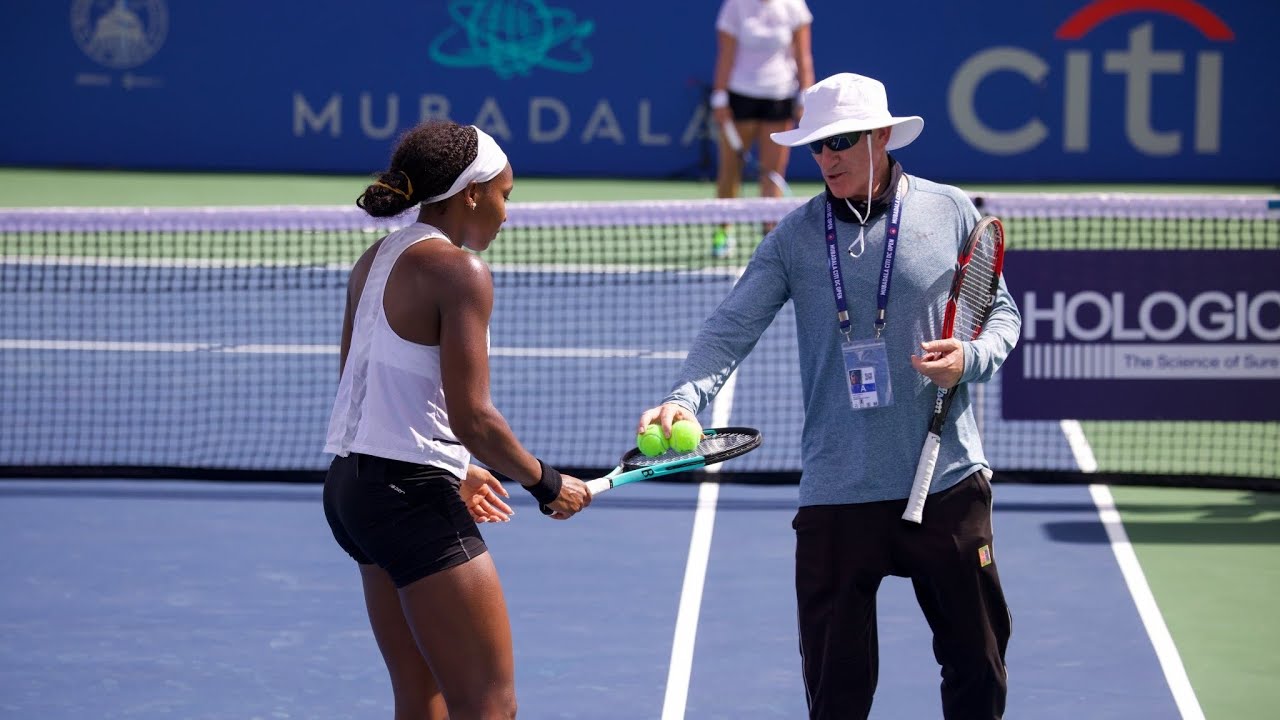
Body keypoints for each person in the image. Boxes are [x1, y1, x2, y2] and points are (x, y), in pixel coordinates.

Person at [638, 73, 1020, 719]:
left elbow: (1001, 313)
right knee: (836, 691)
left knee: (977, 666)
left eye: (841, 142)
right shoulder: (794, 237)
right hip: (839, 492)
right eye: (816, 146)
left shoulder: (950, 208)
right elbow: (731, 326)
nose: (827, 158)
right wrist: (685, 398)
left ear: (879, 137)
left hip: (946, 480)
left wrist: (971, 358)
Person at [322, 120, 593, 720]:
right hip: (407, 502)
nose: (506, 212)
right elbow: (473, 416)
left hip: (352, 493)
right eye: (505, 195)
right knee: (489, 706)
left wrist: (456, 467)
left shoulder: (374, 259)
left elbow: (362, 392)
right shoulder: (460, 273)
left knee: (421, 697)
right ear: (472, 194)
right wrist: (546, 482)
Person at [709, 0, 815, 257]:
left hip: (779, 96)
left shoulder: (793, 6)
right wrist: (720, 96)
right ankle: (723, 231)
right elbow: (726, 55)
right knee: (730, 172)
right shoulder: (735, 6)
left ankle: (770, 235)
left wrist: (806, 96)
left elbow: (802, 56)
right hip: (740, 97)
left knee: (772, 174)